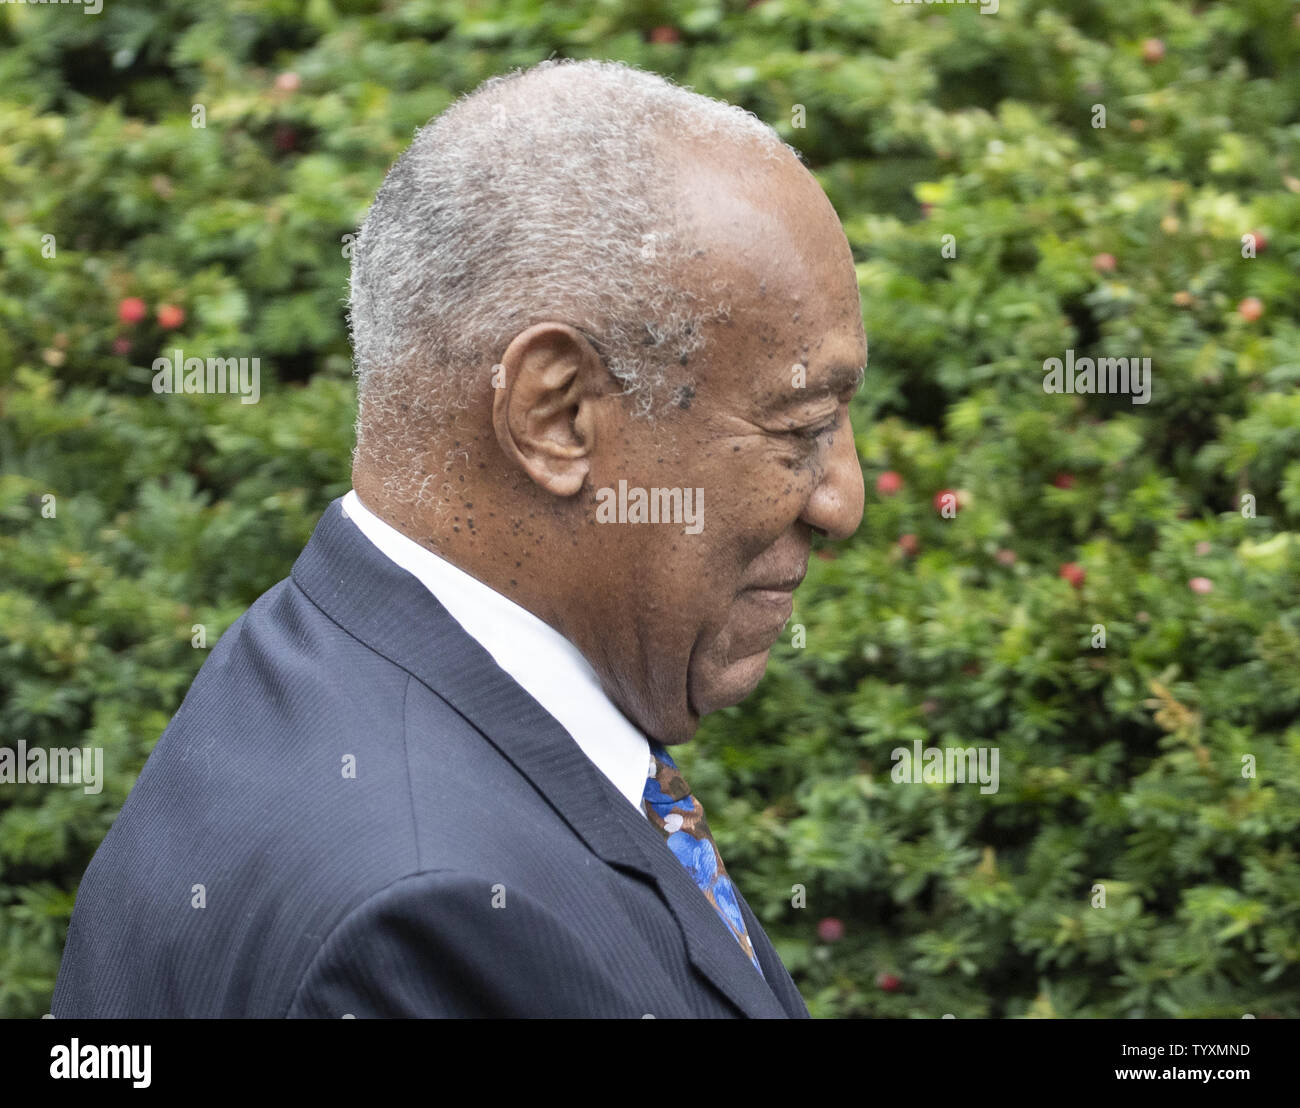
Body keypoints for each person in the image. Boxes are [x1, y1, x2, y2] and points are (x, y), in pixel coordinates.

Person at [53, 58, 867, 1018]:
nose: (842, 501)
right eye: (801, 425)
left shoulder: (302, 670)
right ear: (557, 416)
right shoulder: (430, 916)